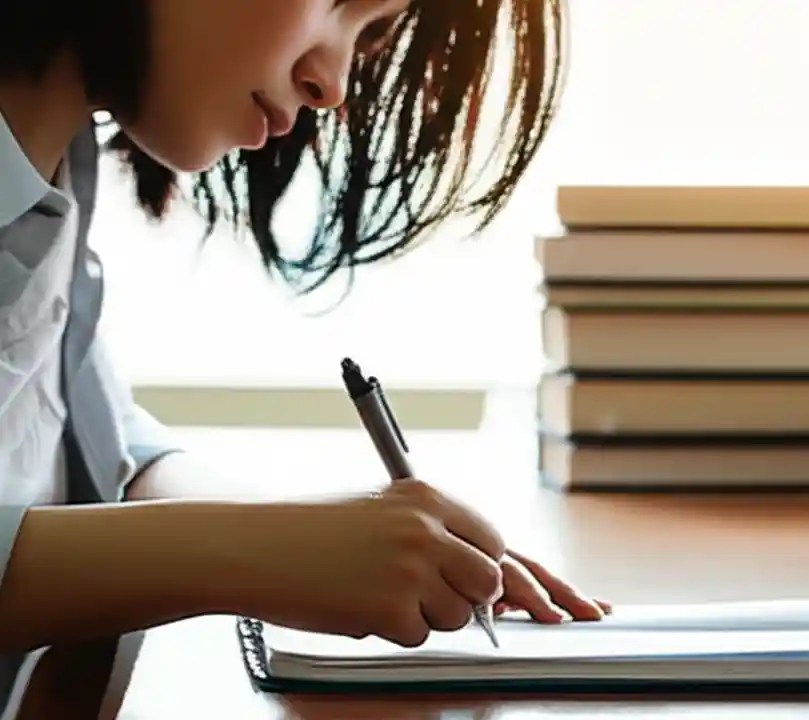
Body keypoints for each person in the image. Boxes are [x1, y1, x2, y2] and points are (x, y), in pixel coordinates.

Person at [0, 0, 607, 709]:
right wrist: (264, 551)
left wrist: (344, 548)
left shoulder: (59, 164)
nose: (335, 85)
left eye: (370, 34)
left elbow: (105, 448)